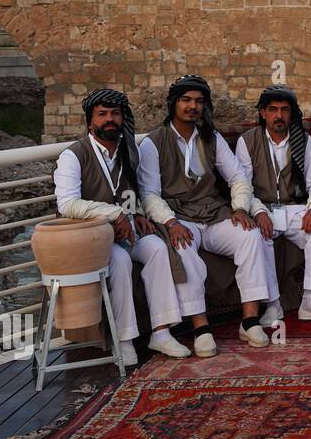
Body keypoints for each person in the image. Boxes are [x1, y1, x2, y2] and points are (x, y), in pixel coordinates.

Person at [53, 89, 192, 364]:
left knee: (156, 248)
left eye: (115, 114)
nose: (110, 120)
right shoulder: (73, 156)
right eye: (102, 114)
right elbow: (67, 204)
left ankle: (161, 332)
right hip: (94, 239)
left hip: (128, 229)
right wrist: (115, 214)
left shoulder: (129, 151)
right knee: (119, 262)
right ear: (89, 122)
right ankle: (124, 339)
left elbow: (134, 191)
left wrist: (138, 212)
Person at [138, 74, 267, 356]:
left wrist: (240, 208)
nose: (192, 106)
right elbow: (149, 193)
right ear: (174, 104)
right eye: (186, 100)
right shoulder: (153, 143)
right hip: (180, 217)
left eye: (198, 101)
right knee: (184, 250)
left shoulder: (212, 138)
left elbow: (238, 177)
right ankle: (201, 327)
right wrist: (170, 223)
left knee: (250, 236)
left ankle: (250, 319)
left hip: (214, 212)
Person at [235, 85, 311, 326]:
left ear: (291, 113)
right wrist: (258, 211)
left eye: (284, 110)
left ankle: (310, 302)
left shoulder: (303, 140)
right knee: (257, 235)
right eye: (272, 110)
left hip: (293, 207)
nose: (278, 116)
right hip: (263, 208)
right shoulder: (247, 142)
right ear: (262, 113)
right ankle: (272, 305)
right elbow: (243, 186)